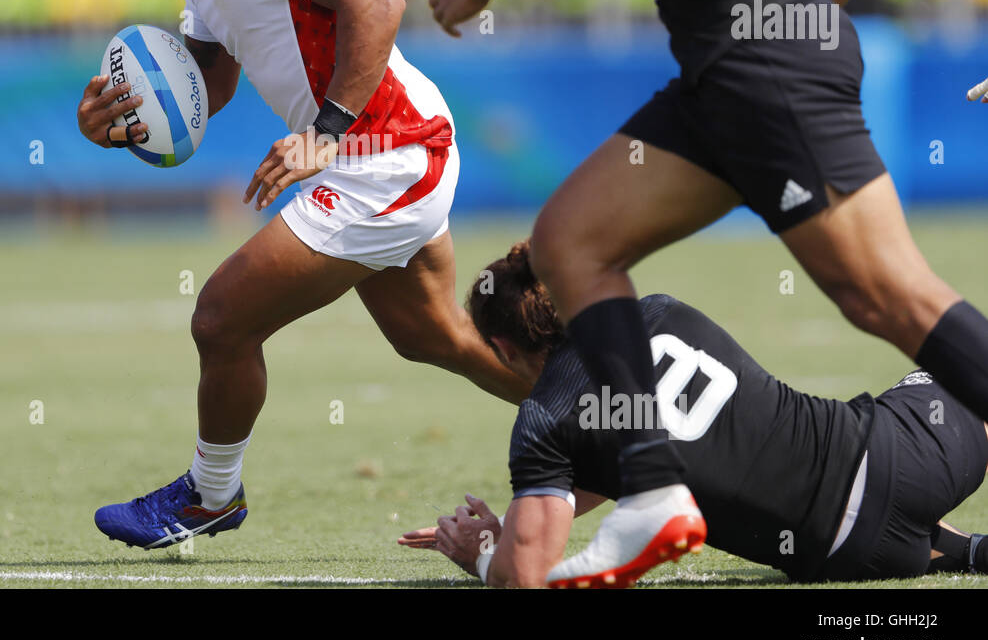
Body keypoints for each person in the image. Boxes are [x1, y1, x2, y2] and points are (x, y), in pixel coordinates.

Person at [430, 0, 988, 588]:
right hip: (730, 73)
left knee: (890, 296)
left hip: (751, 69)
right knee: (572, 241)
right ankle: (653, 490)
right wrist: (811, 14)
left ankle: (654, 487)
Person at [76, 0, 531, 549]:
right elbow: (206, 92)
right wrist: (120, 123)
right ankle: (613, 428)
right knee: (436, 339)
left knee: (220, 319)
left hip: (390, 154)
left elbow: (377, 1)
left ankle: (209, 496)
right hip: (379, 152)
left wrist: (326, 131)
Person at [399, 242, 988, 587]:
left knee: (838, 508)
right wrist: (512, 531)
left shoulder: (542, 422)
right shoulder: (654, 311)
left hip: (849, 557)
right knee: (966, 364)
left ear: (502, 349)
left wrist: (482, 551)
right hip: (900, 461)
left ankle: (969, 552)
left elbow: (526, 573)